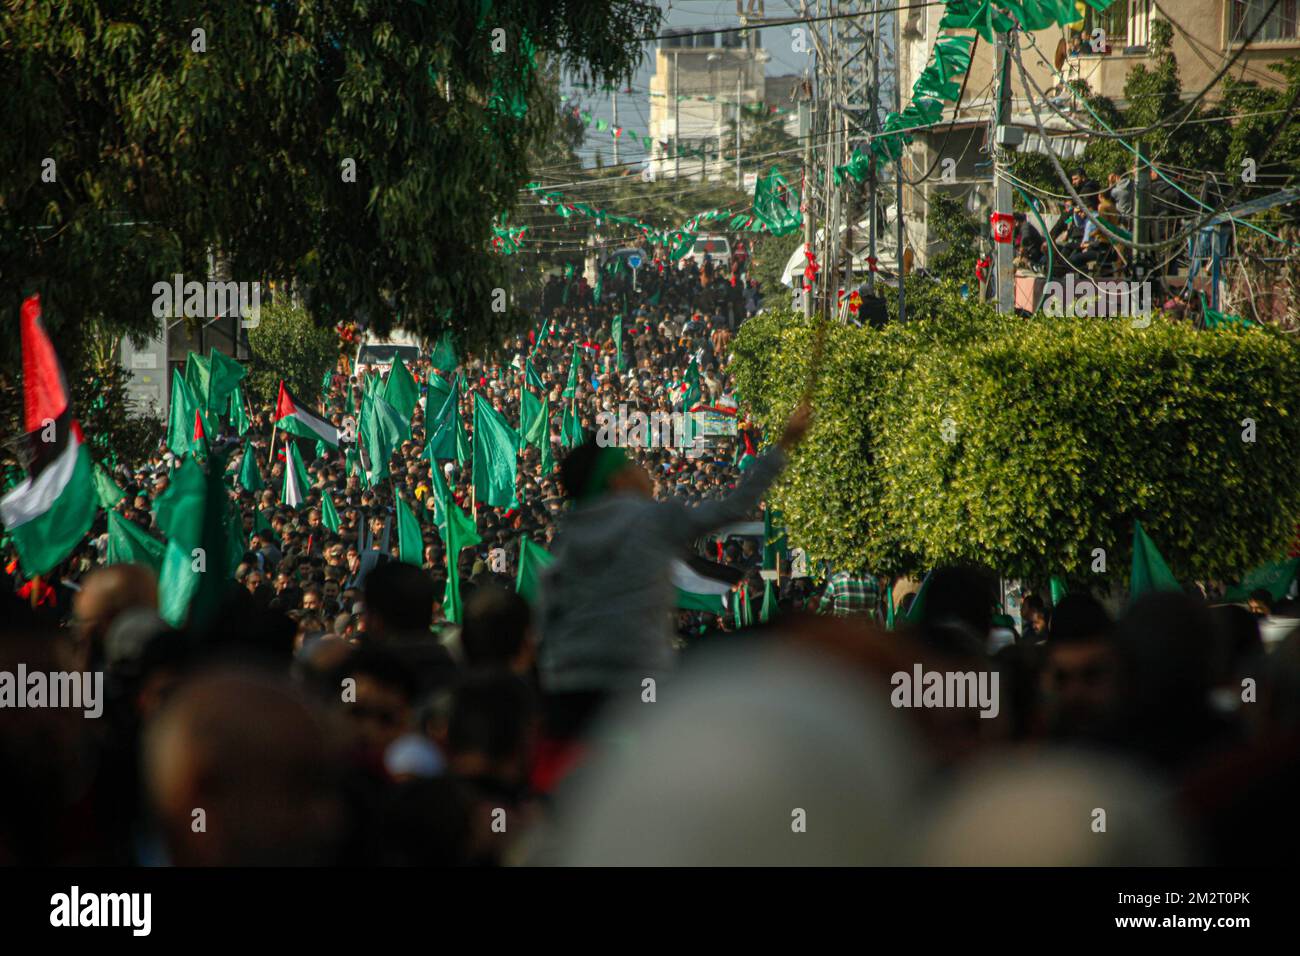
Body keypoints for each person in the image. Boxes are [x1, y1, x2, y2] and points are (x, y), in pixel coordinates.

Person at [536, 401, 812, 721]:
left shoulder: (564, 541)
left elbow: (548, 613)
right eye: (629, 464)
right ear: (617, 482)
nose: (642, 470)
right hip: (638, 680)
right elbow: (732, 507)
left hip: (568, 685)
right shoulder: (650, 519)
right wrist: (783, 445)